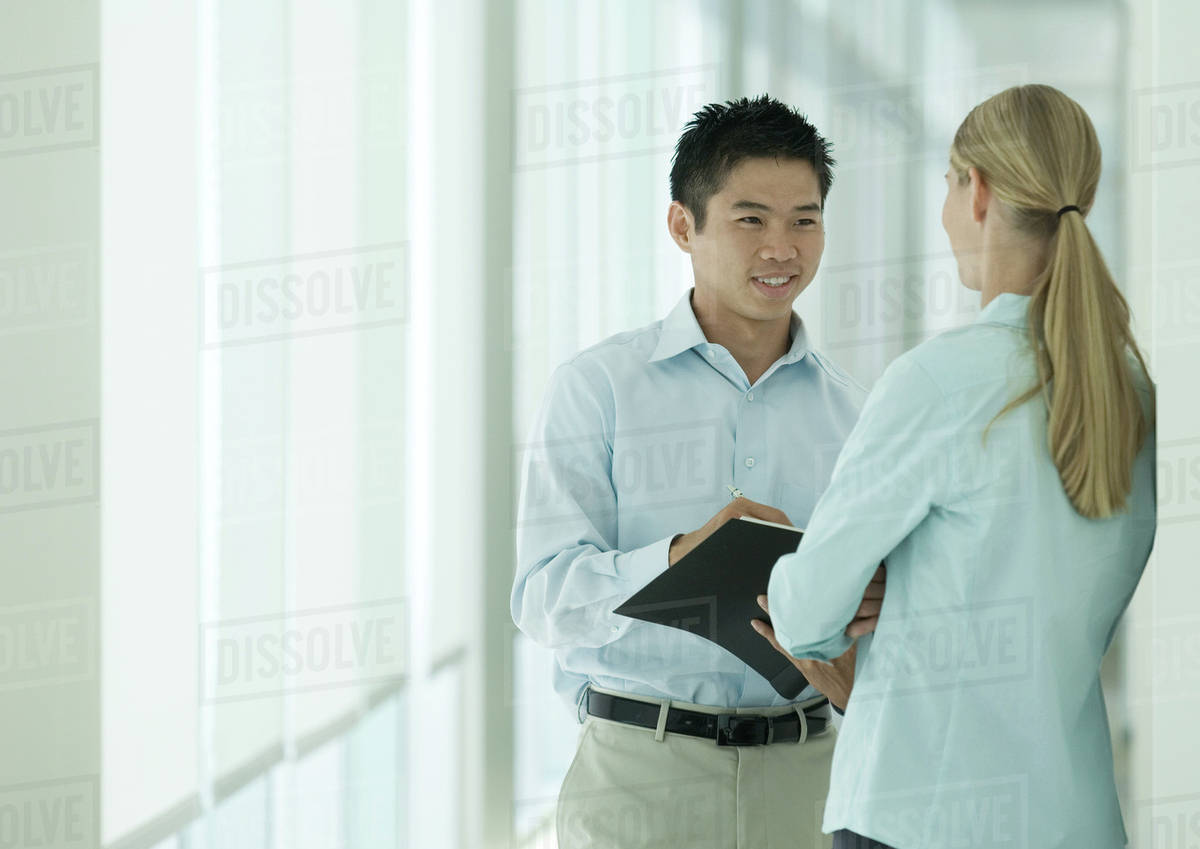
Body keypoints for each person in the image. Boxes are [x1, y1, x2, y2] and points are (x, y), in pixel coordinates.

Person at [755, 84, 1156, 849]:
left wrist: (804, 582)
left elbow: (806, 615)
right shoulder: (1131, 392)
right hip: (1075, 822)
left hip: (921, 818)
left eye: (947, 183)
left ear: (977, 192)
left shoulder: (940, 381)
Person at [512, 95, 885, 848]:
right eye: (751, 219)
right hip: (639, 779)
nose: (781, 248)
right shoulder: (599, 387)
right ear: (683, 224)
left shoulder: (860, 415)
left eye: (804, 220)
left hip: (805, 775)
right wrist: (680, 558)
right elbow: (542, 598)